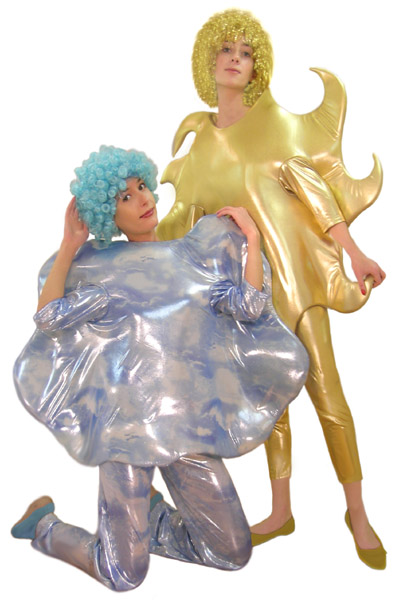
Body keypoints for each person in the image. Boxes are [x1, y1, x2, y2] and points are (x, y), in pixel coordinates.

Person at [12, 145, 308, 590]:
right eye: (125, 197)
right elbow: (50, 317)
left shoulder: (193, 260)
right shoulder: (104, 274)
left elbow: (249, 307)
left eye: (142, 187)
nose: (142, 199)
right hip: (125, 439)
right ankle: (44, 527)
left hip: (187, 431)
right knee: (123, 575)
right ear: (107, 215)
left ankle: (152, 518)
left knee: (232, 552)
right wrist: (70, 245)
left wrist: (252, 238)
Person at [157, 9, 387, 569]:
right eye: (226, 50)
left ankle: (357, 511)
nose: (235, 59)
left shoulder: (274, 125)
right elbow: (182, 225)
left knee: (328, 395)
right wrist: (127, 240)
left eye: (245, 53)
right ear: (208, 60)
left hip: (297, 283)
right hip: (250, 295)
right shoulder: (200, 149)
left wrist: (353, 251)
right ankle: (281, 509)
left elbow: (313, 189)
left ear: (256, 67)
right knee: (271, 403)